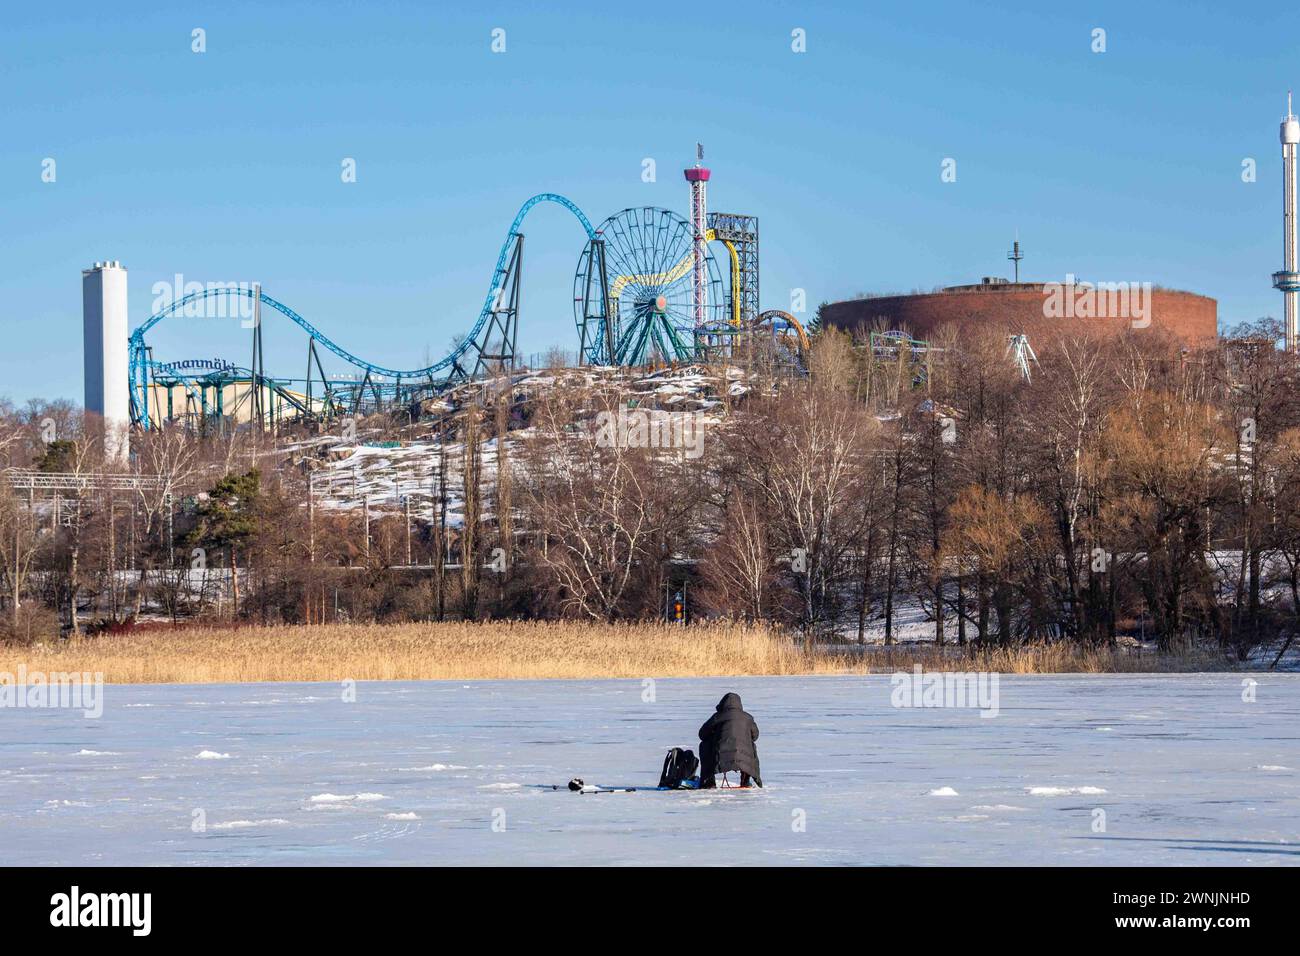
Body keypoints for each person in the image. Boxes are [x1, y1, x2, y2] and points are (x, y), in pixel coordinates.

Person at [697, 692, 762, 788]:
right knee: (751, 746)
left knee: (704, 745)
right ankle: (745, 780)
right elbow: (755, 736)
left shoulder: (718, 716)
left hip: (720, 753)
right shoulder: (748, 718)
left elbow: (702, 734)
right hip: (744, 754)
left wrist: (715, 735)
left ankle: (709, 781)